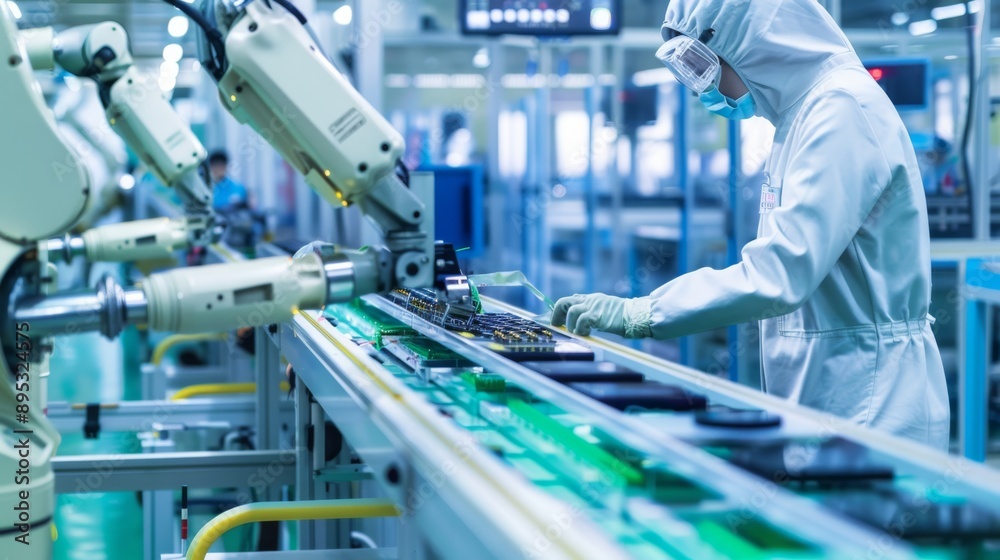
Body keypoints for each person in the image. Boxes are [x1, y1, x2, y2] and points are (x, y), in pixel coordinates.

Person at [552, 0, 950, 451]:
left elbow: (778, 274)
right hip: (832, 388)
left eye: (703, 66)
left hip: (871, 398)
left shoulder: (840, 109)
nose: (702, 88)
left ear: (754, 44)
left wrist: (642, 312)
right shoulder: (800, 116)